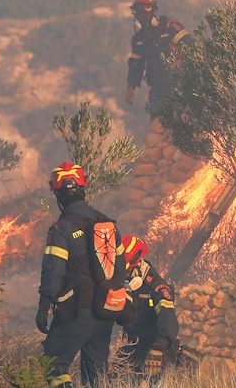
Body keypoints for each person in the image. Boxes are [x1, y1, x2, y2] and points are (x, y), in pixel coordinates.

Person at [35, 162, 119, 388]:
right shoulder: (107, 224)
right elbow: (121, 267)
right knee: (96, 375)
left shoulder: (62, 229)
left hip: (76, 309)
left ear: (58, 195)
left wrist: (44, 306)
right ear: (83, 189)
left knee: (52, 361)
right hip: (105, 310)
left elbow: (53, 270)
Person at [118, 234, 180, 379]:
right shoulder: (123, 284)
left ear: (138, 266)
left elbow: (168, 319)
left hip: (156, 346)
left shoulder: (158, 287)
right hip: (131, 345)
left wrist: (159, 346)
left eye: (126, 272)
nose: (123, 276)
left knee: (156, 379)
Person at [126, 0, 191, 118]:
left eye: (145, 12)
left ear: (153, 12)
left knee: (185, 121)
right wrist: (131, 87)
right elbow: (135, 64)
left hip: (180, 84)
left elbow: (191, 46)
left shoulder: (170, 27)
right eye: (138, 15)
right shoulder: (139, 39)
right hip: (158, 88)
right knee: (157, 126)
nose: (142, 17)